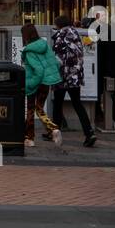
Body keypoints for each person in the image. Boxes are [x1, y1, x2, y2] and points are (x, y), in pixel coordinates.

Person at [50, 14, 96, 146]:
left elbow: (58, 57)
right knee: (77, 104)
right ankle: (89, 132)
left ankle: (54, 132)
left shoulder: (61, 35)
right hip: (75, 76)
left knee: (57, 104)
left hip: (63, 76)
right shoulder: (75, 33)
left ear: (58, 25)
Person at [21, 23, 63, 147]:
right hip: (46, 83)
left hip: (34, 83)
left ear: (26, 36)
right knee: (39, 109)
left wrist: (30, 84)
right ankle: (53, 129)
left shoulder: (29, 51)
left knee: (30, 110)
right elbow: (56, 62)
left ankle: (29, 139)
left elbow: (38, 71)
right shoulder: (44, 45)